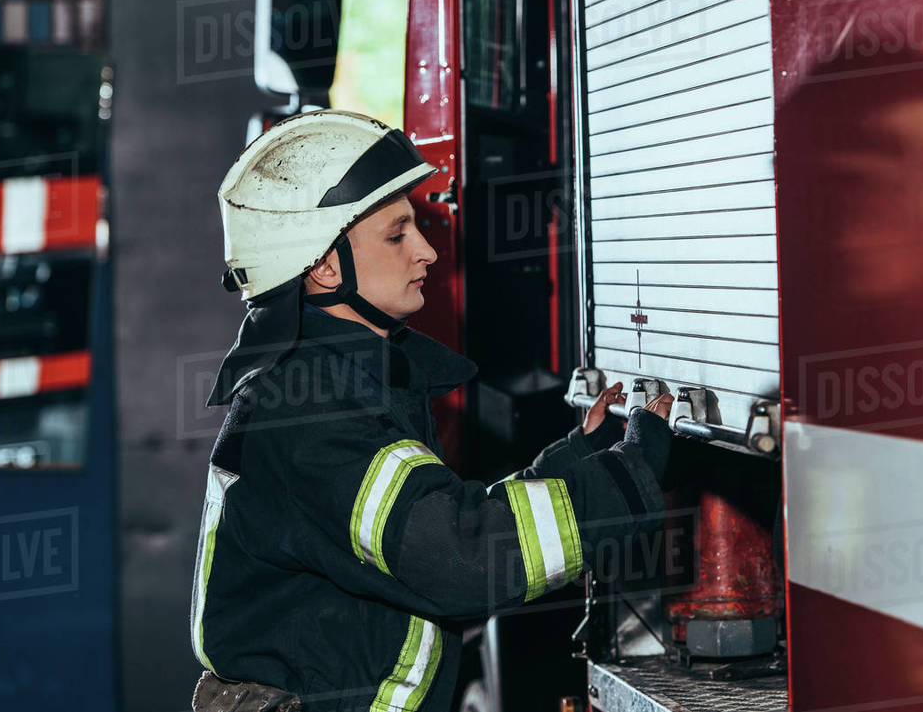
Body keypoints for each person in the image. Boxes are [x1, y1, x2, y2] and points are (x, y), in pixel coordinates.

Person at [190, 109, 674, 712]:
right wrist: (625, 478)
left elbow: (432, 524)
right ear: (324, 266)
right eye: (397, 235)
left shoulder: (340, 381)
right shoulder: (307, 409)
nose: (426, 252)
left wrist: (578, 459)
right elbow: (458, 558)